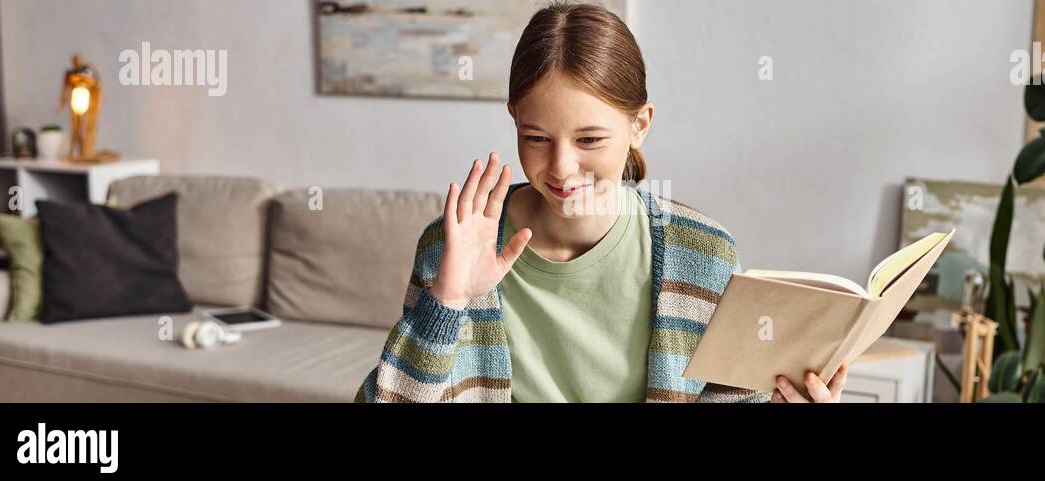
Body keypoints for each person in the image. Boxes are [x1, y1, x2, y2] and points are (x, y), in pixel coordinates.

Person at [356, 2, 848, 403]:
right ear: (513, 120)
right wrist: (447, 303)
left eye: (589, 140)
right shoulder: (454, 244)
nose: (562, 168)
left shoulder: (702, 255)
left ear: (640, 125)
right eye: (536, 138)